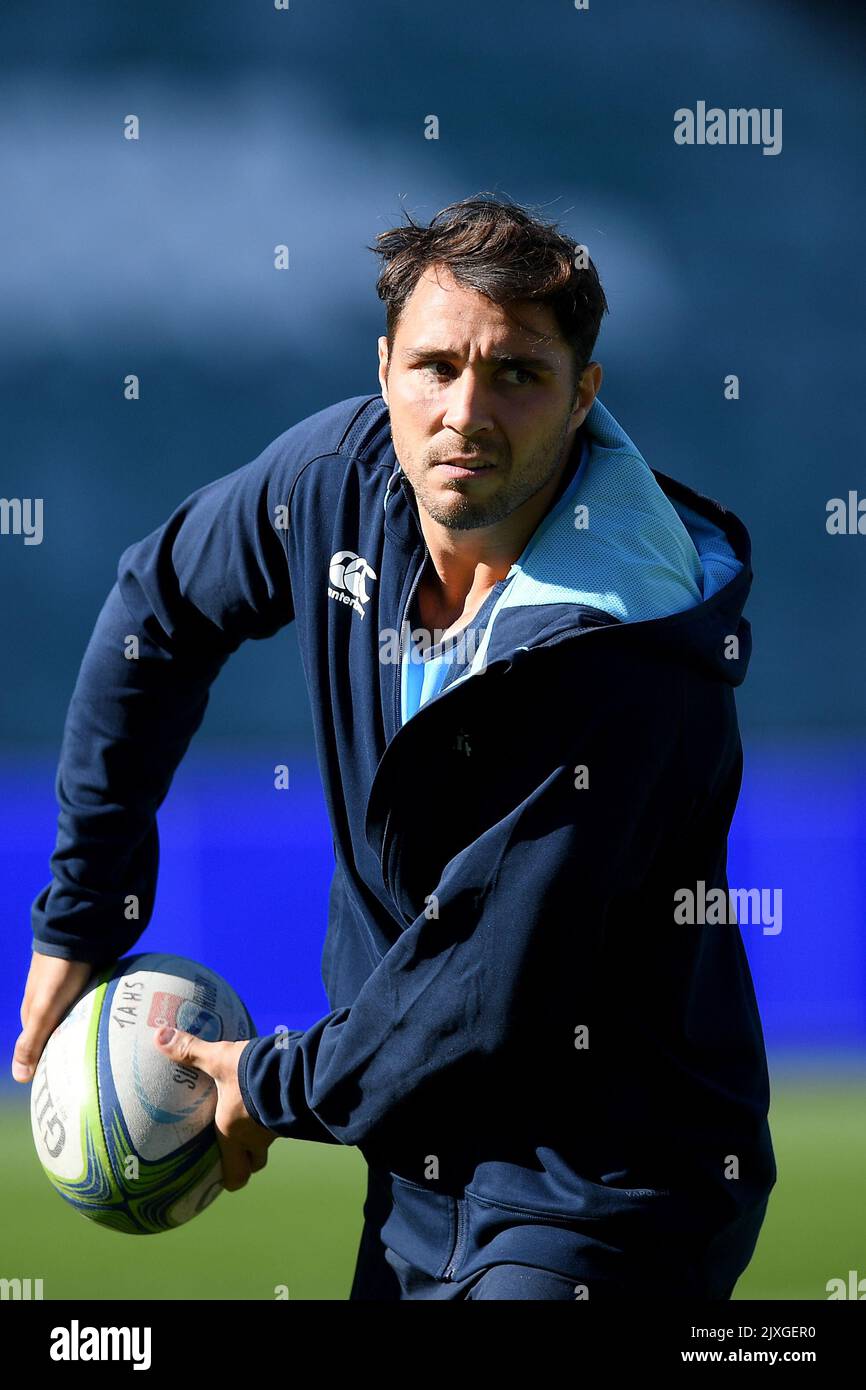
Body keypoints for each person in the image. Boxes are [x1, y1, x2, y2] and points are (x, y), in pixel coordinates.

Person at [15, 195, 776, 1300]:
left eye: (516, 372)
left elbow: (482, 987)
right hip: (418, 1174)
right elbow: (159, 610)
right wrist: (86, 908)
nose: (464, 411)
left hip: (606, 1190)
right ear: (383, 370)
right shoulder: (336, 476)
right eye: (433, 366)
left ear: (581, 397)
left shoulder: (622, 651)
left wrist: (271, 1083)